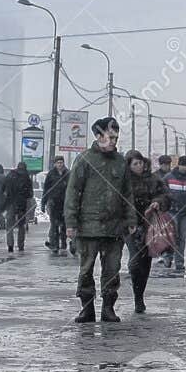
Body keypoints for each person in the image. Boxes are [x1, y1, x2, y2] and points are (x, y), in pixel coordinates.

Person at [65, 117, 133, 323]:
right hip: (88, 227)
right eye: (110, 137)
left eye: (116, 138)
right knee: (86, 270)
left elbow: (127, 193)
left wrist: (131, 219)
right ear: (98, 136)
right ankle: (87, 309)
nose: (113, 141)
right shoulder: (85, 160)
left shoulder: (120, 162)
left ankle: (108, 308)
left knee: (112, 270)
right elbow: (73, 192)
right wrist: (71, 223)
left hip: (114, 228)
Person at [124, 149, 170, 313]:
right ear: (129, 166)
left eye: (140, 162)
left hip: (149, 224)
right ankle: (136, 292)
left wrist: (157, 202)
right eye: (135, 164)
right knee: (136, 259)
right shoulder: (124, 181)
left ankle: (139, 295)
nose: (139, 166)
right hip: (130, 224)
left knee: (146, 260)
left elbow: (165, 195)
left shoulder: (153, 179)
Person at [162, 155, 186, 273]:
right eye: (182, 165)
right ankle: (168, 255)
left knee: (182, 238)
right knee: (172, 236)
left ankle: (179, 262)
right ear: (178, 165)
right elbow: (162, 192)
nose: (184, 168)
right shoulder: (169, 177)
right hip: (172, 211)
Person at [1, 161, 36, 253]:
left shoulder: (10, 175)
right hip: (22, 204)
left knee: (9, 225)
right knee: (21, 225)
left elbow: (3, 188)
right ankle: (20, 245)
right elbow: (30, 194)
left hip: (10, 203)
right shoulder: (26, 177)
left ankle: (10, 245)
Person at [41, 156, 69, 252]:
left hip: (64, 203)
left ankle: (63, 242)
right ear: (55, 164)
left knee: (64, 224)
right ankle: (55, 245)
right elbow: (46, 189)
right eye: (58, 163)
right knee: (54, 224)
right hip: (53, 202)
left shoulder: (68, 173)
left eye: (61, 162)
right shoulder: (51, 174)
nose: (60, 164)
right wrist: (43, 202)